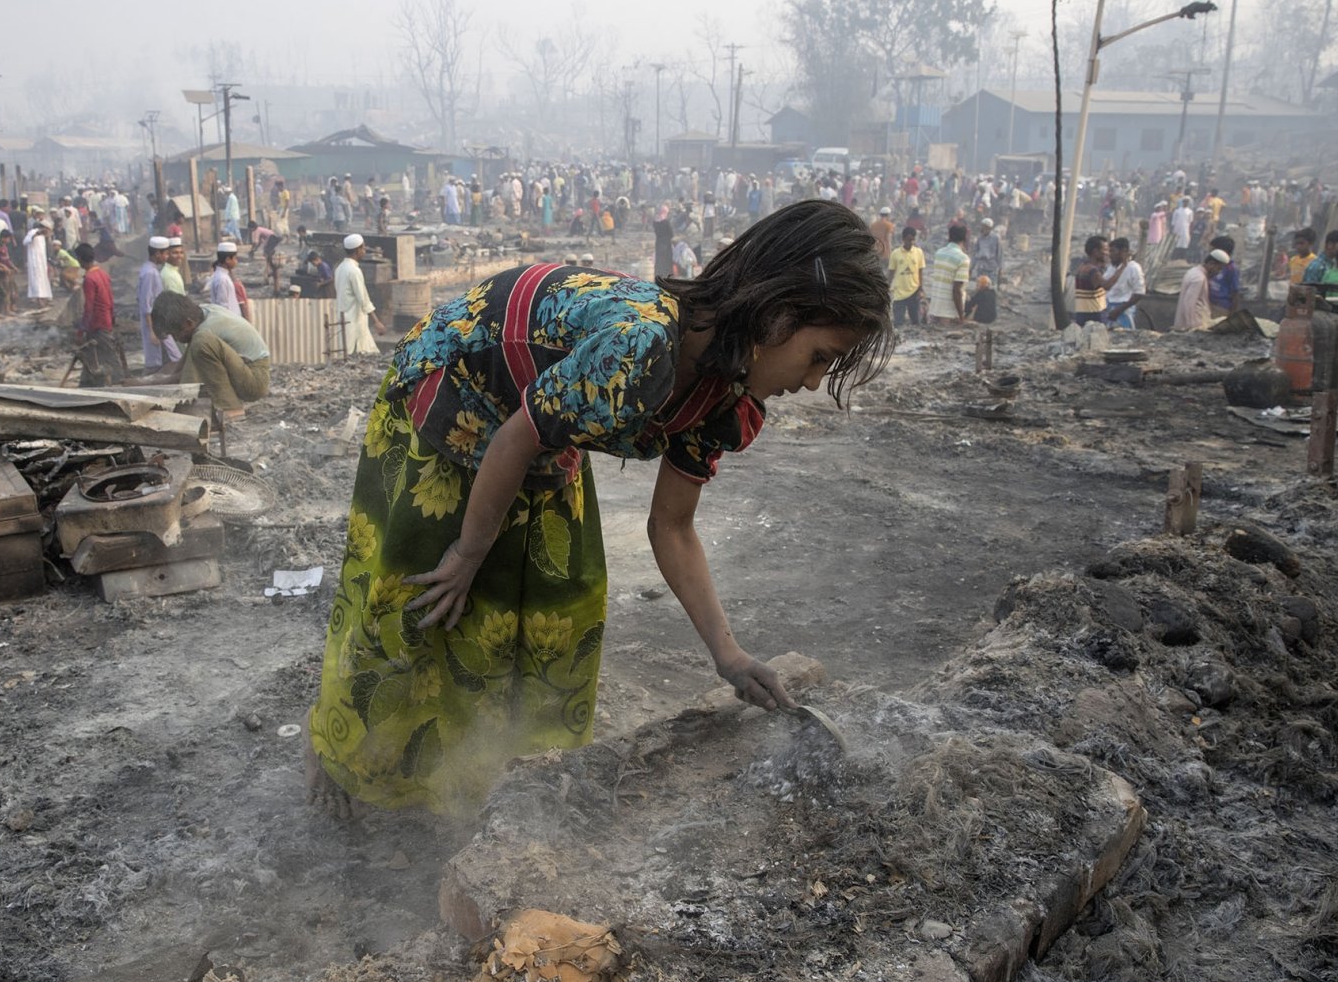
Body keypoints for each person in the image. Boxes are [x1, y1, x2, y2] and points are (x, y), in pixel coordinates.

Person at [304, 199, 894, 818]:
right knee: (427, 596)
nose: (810, 383)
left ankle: (510, 782)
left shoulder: (723, 396)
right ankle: (336, 746)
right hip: (455, 397)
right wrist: (467, 550)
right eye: (820, 357)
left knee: (562, 602)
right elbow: (514, 438)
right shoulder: (640, 346)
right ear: (776, 315)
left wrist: (730, 655)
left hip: (535, 430)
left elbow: (672, 525)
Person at [149, 289, 270, 421]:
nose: (176, 339)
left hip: (255, 380)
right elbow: (181, 366)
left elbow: (184, 375)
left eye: (175, 334)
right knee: (199, 343)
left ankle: (231, 407)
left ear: (188, 323)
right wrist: (151, 381)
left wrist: (153, 385)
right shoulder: (203, 312)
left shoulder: (205, 333)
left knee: (201, 342)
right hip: (247, 369)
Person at [75, 243, 121, 386]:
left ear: (80, 259)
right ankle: (85, 385)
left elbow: (89, 307)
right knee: (92, 356)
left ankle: (121, 383)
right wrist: (112, 317)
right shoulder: (102, 274)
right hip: (106, 320)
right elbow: (111, 298)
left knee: (108, 357)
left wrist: (81, 329)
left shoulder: (89, 279)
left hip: (97, 324)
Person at [334, 233, 386, 355]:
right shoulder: (354, 271)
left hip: (346, 318)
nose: (364, 251)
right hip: (354, 320)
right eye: (363, 248)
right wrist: (377, 322)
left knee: (361, 351)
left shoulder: (340, 268)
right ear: (357, 250)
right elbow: (363, 298)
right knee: (357, 353)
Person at [137, 236, 174, 370]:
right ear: (157, 253)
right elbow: (146, 305)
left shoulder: (150, 270)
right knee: (163, 361)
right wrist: (152, 331)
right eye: (166, 253)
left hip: (159, 324)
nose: (167, 256)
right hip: (154, 325)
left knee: (169, 358)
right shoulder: (150, 273)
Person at [1174, 248, 1227, 332]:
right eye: (1218, 269)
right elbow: (1189, 303)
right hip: (1193, 325)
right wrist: (1191, 327)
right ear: (1211, 264)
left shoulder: (1193, 272)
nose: (1218, 272)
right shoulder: (1199, 278)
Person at [928, 223, 971, 325]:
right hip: (949, 313)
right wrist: (961, 317)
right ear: (964, 239)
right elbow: (956, 290)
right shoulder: (963, 259)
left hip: (935, 309)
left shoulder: (939, 253)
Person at [1103, 237, 1146, 329]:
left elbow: (1139, 293)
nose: (1110, 255)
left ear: (1123, 251)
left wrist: (1119, 310)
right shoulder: (1112, 268)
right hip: (1110, 309)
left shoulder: (1133, 268)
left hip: (1124, 311)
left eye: (1113, 251)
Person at [888, 226, 924, 327]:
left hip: (914, 291)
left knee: (916, 322)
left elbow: (920, 271)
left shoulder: (918, 252)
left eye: (913, 240)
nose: (911, 242)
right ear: (903, 239)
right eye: (909, 240)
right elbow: (891, 272)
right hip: (899, 293)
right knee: (898, 323)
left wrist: (921, 288)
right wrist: (887, 286)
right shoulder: (895, 254)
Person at [1206, 235, 1240, 318]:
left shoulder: (1231, 269)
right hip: (1209, 303)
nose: (1210, 252)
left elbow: (1235, 293)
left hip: (1220, 307)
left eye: (1213, 250)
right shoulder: (1212, 264)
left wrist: (1232, 314)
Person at [205, 241, 242, 314]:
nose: (236, 261)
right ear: (228, 260)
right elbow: (223, 306)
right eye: (235, 258)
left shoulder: (222, 276)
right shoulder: (222, 279)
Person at [23, 217, 52, 301]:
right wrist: (34, 235)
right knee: (37, 280)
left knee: (43, 279)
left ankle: (43, 298)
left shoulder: (43, 236)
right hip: (35, 262)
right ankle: (39, 300)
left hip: (41, 262)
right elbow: (25, 242)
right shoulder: (33, 232)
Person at [971, 218, 1001, 286]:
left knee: (990, 287)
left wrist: (1000, 268)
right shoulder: (979, 238)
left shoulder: (996, 238)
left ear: (989, 228)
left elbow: (999, 254)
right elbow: (975, 253)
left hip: (991, 268)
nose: (982, 229)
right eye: (981, 226)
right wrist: (971, 267)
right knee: (979, 287)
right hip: (981, 268)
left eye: (984, 227)